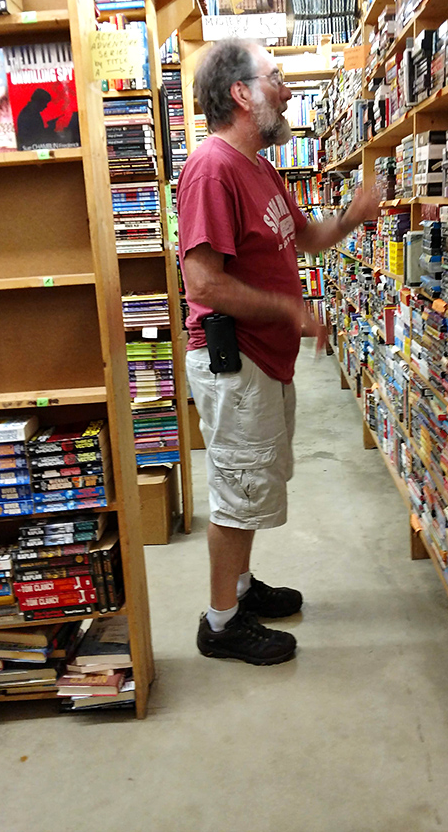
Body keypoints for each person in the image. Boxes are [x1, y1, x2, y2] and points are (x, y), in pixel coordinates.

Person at [177, 38, 379, 665]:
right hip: (235, 362)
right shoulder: (213, 168)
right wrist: (289, 310)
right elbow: (202, 283)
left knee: (252, 480)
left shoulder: (259, 166)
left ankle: (240, 588)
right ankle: (221, 623)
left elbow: (308, 238)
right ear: (241, 93)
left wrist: (350, 217)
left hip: (264, 359)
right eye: (276, 77)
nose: (287, 89)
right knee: (237, 493)